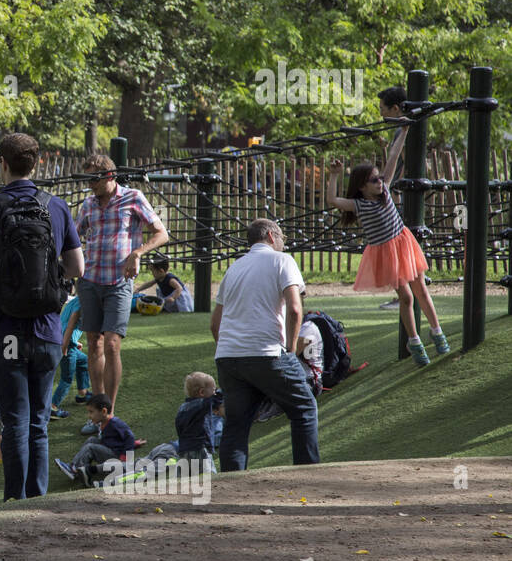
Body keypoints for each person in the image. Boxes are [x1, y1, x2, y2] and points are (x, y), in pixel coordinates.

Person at [0, 132, 85, 502]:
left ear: (2, 163)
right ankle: (39, 501)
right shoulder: (57, 206)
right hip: (47, 329)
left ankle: (13, 503)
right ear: (37, 163)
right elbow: (77, 267)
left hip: (4, 329)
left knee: (15, 419)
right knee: (39, 421)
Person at [210, 218, 320, 471]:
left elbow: (215, 323)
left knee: (236, 424)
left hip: (228, 356)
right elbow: (294, 309)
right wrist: (291, 350)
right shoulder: (283, 261)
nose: (283, 244)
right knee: (303, 408)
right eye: (282, 238)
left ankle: (231, 484)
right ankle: (308, 473)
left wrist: (231, 350)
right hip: (268, 352)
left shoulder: (234, 268)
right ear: (271, 236)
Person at [326, 160, 448, 365]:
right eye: (374, 180)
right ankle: (414, 341)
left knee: (422, 291)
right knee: (406, 298)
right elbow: (333, 200)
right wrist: (334, 175)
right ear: (362, 187)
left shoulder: (386, 193)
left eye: (380, 178)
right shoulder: (359, 205)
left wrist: (403, 133)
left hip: (405, 246)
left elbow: (392, 158)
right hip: (388, 254)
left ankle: (437, 332)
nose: (380, 182)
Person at [75, 153, 170, 410]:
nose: (91, 184)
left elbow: (161, 234)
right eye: (88, 179)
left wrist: (137, 253)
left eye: (94, 178)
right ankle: (98, 407)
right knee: (93, 342)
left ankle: (110, 411)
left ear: (110, 175)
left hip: (119, 282)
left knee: (112, 344)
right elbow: (74, 237)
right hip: (89, 281)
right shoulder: (87, 205)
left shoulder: (133, 197)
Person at [375, 86, 410, 309]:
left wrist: (397, 190)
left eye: (383, 109)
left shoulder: (403, 129)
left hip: (400, 196)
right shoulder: (401, 129)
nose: (381, 114)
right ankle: (402, 296)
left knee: (399, 246)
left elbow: (410, 162)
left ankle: (403, 297)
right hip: (398, 193)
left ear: (395, 108)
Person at [54, 393, 135, 487]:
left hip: (117, 459)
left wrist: (125, 458)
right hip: (111, 450)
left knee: (90, 448)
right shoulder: (104, 422)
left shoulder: (115, 423)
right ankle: (78, 467)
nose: (89, 415)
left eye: (91, 412)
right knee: (92, 439)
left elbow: (130, 436)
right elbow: (124, 439)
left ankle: (74, 469)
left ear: (104, 411)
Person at [51, 287, 90, 421]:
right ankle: (52, 406)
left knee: (84, 361)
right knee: (66, 378)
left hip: (65, 341)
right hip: (66, 345)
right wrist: (66, 345)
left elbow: (64, 321)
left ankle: (82, 394)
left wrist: (74, 341)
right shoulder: (83, 304)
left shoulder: (75, 301)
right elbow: (71, 323)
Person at [174, 372, 221, 472]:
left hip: (183, 449)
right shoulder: (202, 403)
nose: (214, 393)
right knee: (209, 477)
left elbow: (179, 427)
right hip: (200, 447)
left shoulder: (182, 408)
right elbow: (216, 399)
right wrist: (224, 389)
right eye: (213, 390)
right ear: (202, 392)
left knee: (185, 479)